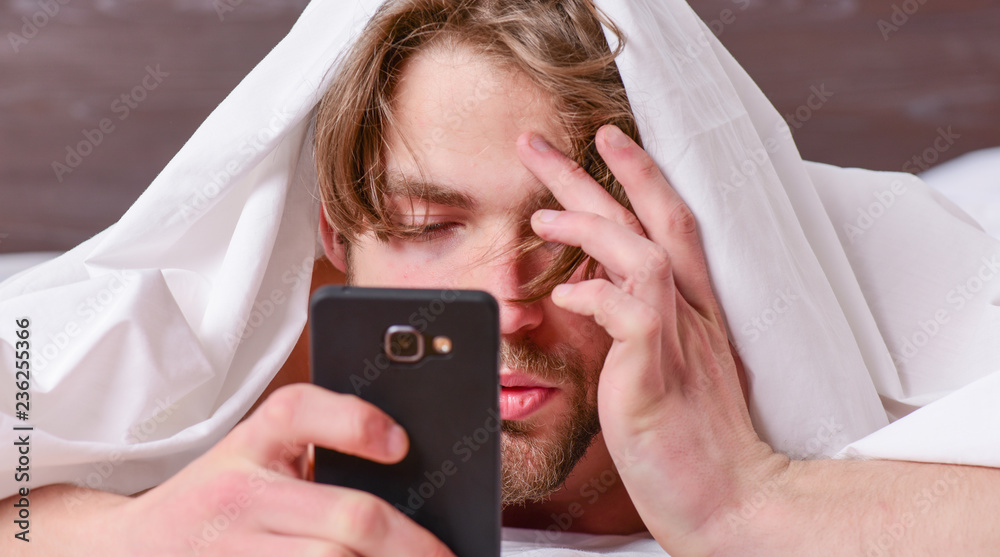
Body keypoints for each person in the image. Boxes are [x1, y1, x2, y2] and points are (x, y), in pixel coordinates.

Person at [3, 0, 1000, 555]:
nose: (508, 304)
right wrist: (126, 532)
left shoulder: (795, 314)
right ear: (334, 233)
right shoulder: (237, 362)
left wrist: (753, 501)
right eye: (427, 227)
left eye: (571, 230)